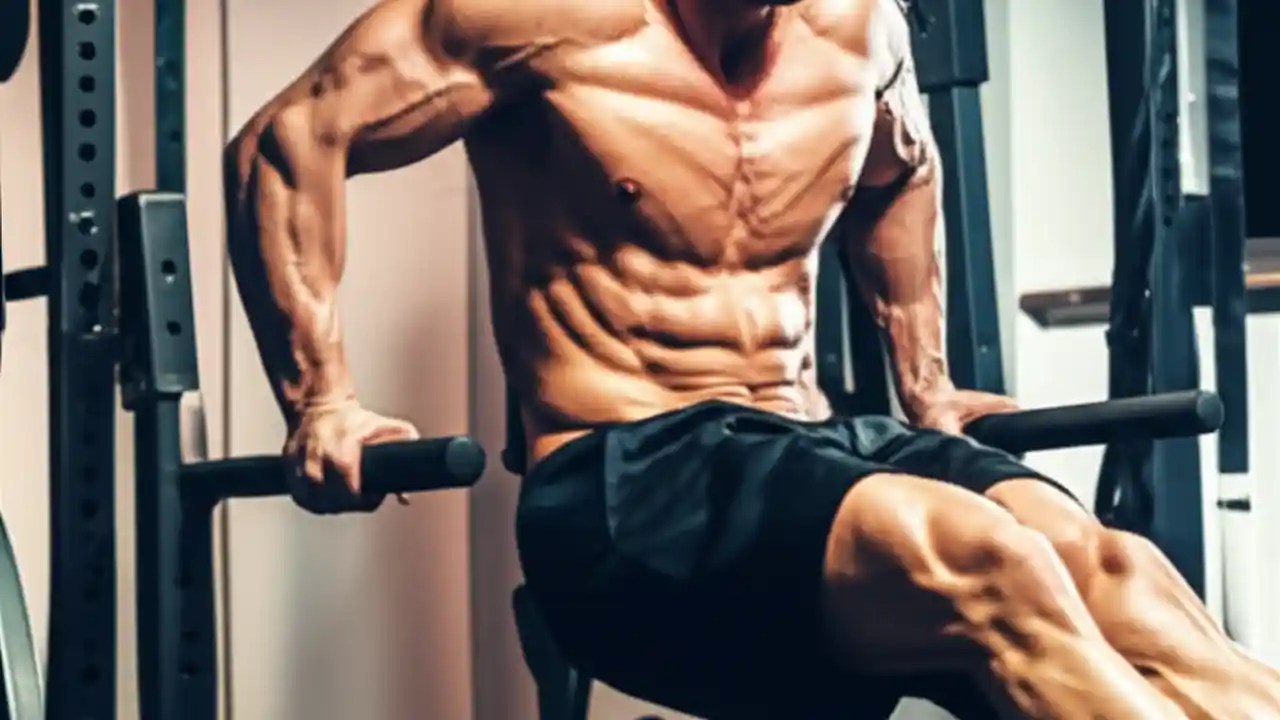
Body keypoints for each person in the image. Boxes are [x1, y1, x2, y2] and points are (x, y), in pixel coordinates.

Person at [223, 0, 1280, 717]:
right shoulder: (539, 17)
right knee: (985, 557)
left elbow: (898, 170)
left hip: (805, 443)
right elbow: (289, 141)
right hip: (619, 481)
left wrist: (923, 387)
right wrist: (324, 400)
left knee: (1111, 567)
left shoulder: (857, 28)